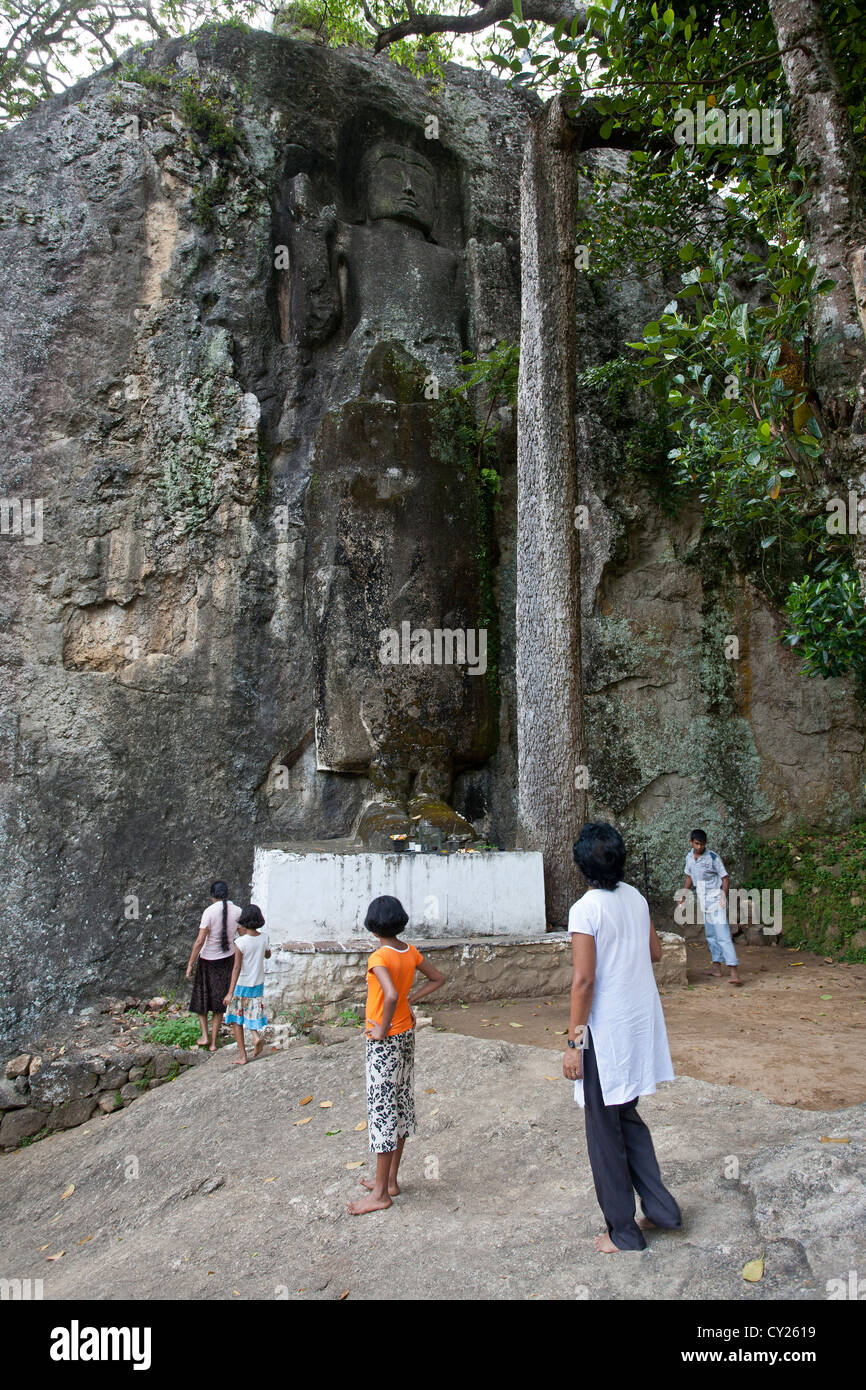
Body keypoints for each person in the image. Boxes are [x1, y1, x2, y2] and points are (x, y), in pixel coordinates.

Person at [563, 822, 681, 1253]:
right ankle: (662, 1210)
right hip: (637, 1024)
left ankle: (623, 1232)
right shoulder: (635, 897)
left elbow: (583, 981)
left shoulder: (585, 909)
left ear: (582, 867)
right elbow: (655, 951)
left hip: (603, 1033)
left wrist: (574, 1044)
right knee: (627, 1117)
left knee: (604, 1133)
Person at [347, 895, 446, 1216]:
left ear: (372, 924)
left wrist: (381, 1028)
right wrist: (409, 1002)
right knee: (400, 1106)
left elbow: (388, 994)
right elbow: (438, 979)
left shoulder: (378, 957)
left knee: (382, 1112)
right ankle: (389, 1181)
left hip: (385, 1042)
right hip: (405, 1037)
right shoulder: (409, 951)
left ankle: (380, 1194)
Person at [680, 829, 741, 986]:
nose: (699, 847)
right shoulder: (689, 857)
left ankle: (734, 971)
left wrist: (723, 895)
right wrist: (683, 893)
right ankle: (716, 967)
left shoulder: (713, 857)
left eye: (702, 844)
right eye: (697, 843)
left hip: (716, 900)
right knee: (711, 935)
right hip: (704, 902)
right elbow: (689, 876)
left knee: (723, 935)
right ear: (691, 842)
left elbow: (725, 878)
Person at [186, 881, 242, 1050]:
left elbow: (199, 941)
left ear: (212, 896)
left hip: (207, 960)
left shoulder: (209, 912)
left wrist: (190, 964)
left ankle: (204, 1036)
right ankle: (213, 1043)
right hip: (227, 960)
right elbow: (243, 936)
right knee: (219, 1003)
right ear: (228, 894)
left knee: (201, 998)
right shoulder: (238, 911)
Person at [223, 904, 271, 1065]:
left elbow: (236, 968)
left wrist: (230, 992)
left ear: (243, 920)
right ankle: (256, 1036)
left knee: (237, 1019)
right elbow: (268, 954)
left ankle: (243, 1056)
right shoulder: (264, 938)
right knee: (250, 1014)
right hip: (257, 985)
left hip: (241, 984)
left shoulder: (240, 942)